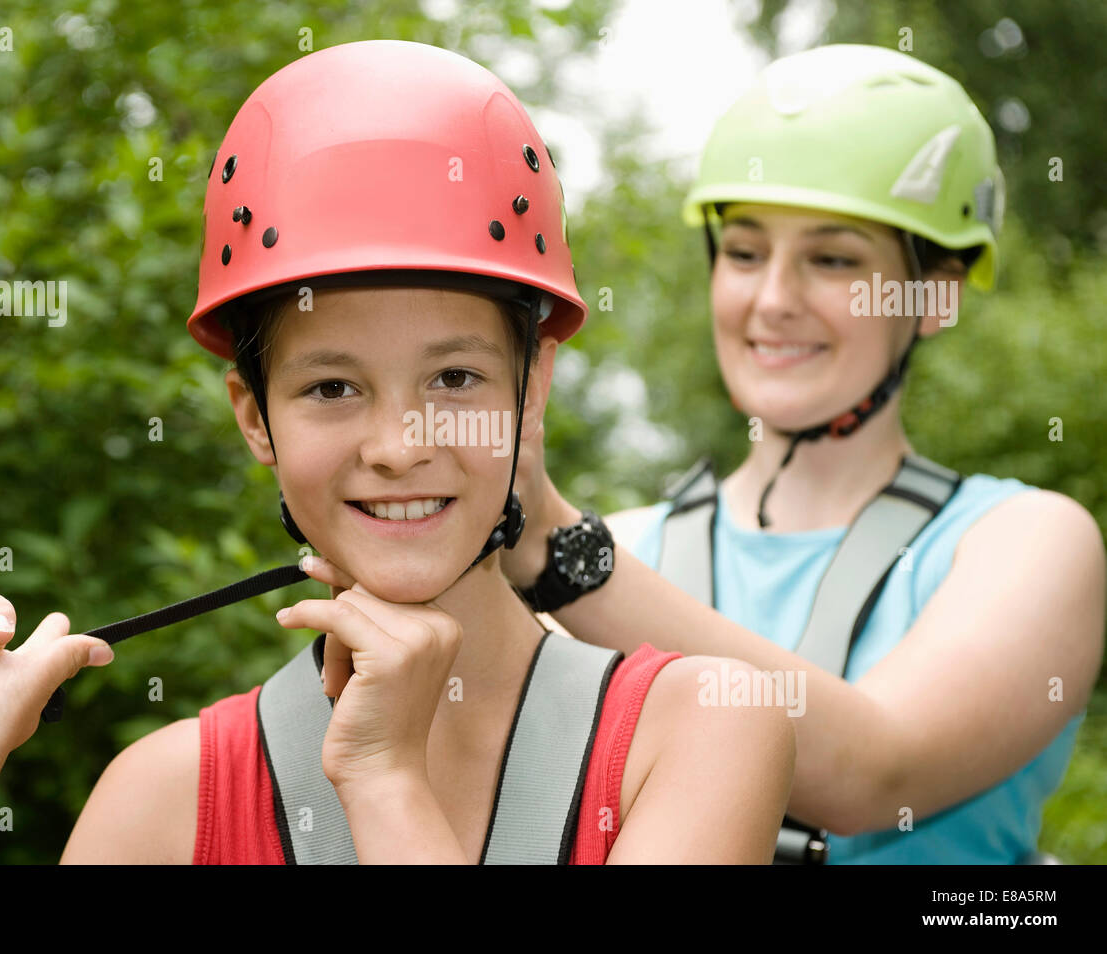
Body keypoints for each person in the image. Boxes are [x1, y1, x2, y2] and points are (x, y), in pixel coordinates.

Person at [0, 39, 794, 865]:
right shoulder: (162, 804)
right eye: (332, 389)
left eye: (456, 379)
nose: (397, 447)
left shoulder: (703, 732)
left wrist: (384, 780)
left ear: (534, 387)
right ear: (254, 417)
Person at [462, 43, 1104, 864]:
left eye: (833, 260)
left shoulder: (1025, 541)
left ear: (935, 293)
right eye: (745, 252)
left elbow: (878, 772)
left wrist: (554, 544)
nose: (773, 300)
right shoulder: (621, 545)